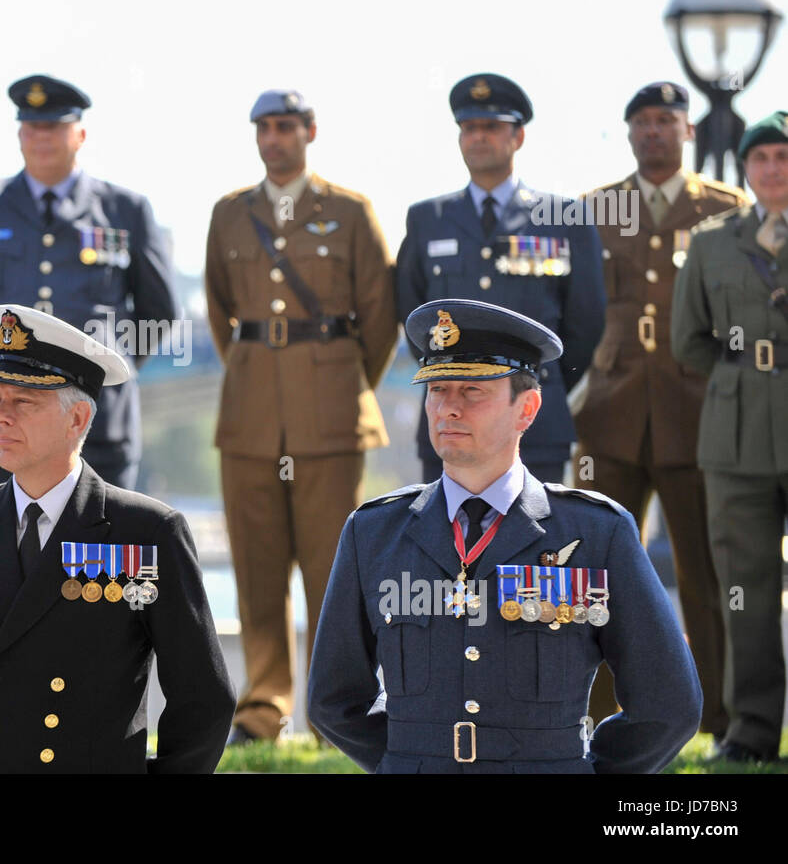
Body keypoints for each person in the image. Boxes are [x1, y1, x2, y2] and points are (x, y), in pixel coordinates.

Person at [308, 298, 701, 773]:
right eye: (437, 389)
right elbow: (333, 700)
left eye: (472, 390)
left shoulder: (598, 533)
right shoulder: (372, 534)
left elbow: (668, 704)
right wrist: (408, 760)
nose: (448, 408)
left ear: (528, 408)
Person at [0, 303, 235, 772]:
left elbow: (204, 698)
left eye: (23, 402)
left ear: (77, 419)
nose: (1, 418)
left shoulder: (147, 532)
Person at [204, 88, 397, 743]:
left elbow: (379, 314)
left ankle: (331, 715)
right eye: (263, 127)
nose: (272, 138)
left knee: (332, 572)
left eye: (284, 126)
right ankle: (263, 708)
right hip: (250, 417)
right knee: (257, 572)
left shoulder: (349, 210)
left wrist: (338, 382)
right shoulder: (230, 214)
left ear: (310, 131)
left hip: (331, 417)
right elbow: (221, 311)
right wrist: (264, 373)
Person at [573, 81, 746, 739]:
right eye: (641, 120)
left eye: (666, 120)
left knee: (705, 573)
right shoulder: (596, 209)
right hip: (608, 416)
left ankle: (715, 720)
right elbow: (575, 313)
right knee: (591, 573)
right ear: (628, 132)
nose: (653, 131)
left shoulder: (725, 209)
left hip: (693, 414)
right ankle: (596, 716)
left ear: (689, 130)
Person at [0, 74, 179, 492]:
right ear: (20, 135)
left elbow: (159, 311)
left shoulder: (124, 210)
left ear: (80, 133)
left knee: (98, 552)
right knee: (0, 550)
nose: (42, 138)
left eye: (55, 127)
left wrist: (104, 369)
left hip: (96, 419)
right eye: (32, 128)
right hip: (1, 425)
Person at [396, 73, 606, 484]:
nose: (478, 137)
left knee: (536, 542)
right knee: (447, 540)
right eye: (469, 128)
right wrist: (453, 382)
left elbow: (586, 321)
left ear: (518, 136)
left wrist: (535, 382)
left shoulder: (565, 218)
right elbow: (412, 315)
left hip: (534, 420)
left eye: (491, 127)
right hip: (449, 423)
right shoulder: (426, 219)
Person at [672, 110, 788, 763]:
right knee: (742, 587)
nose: (773, 169)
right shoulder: (713, 240)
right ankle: (751, 730)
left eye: (783, 156)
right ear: (745, 167)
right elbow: (690, 338)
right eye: (761, 157)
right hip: (735, 436)